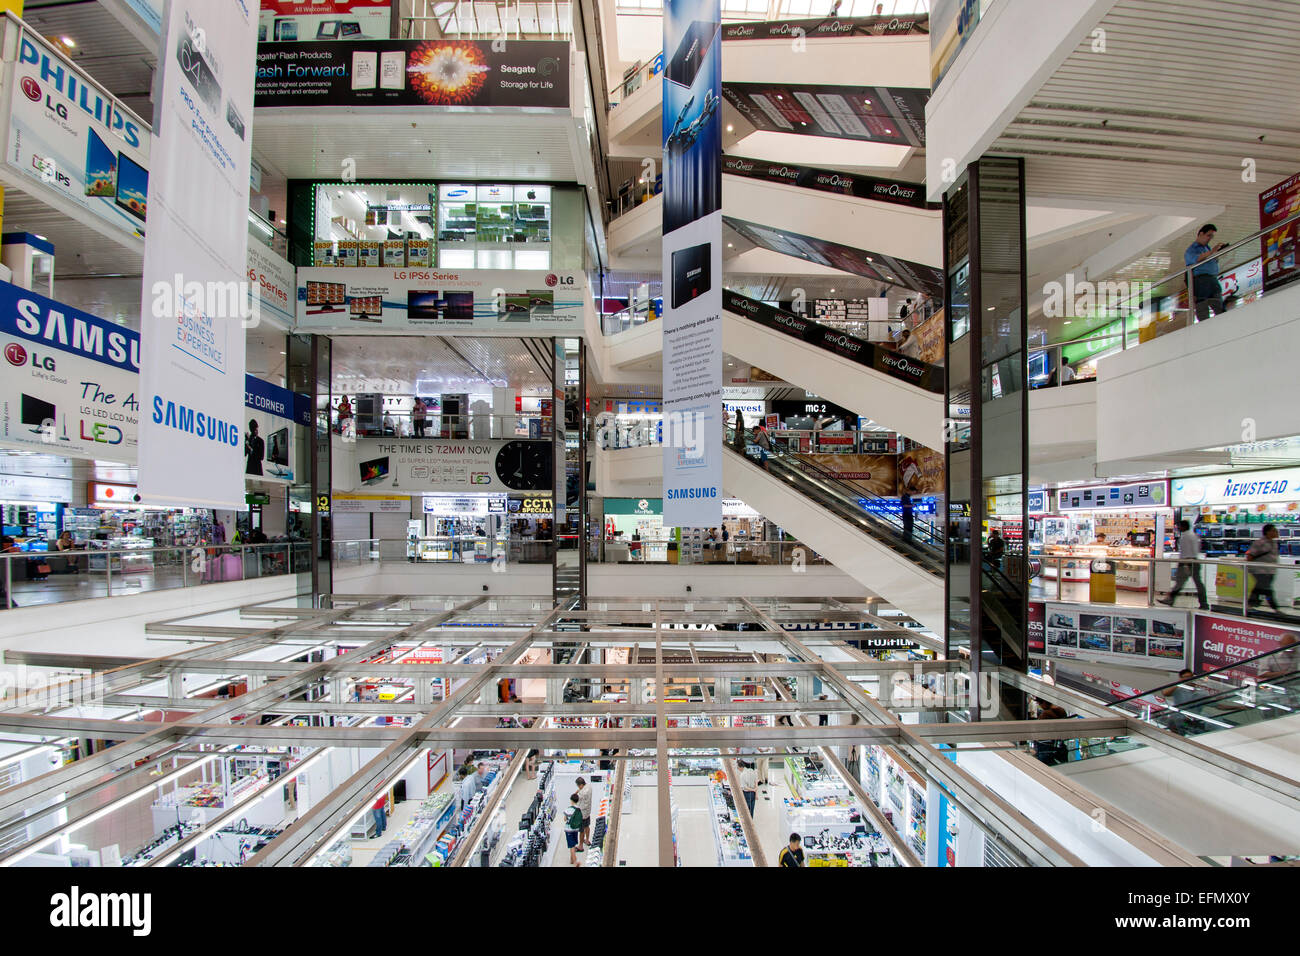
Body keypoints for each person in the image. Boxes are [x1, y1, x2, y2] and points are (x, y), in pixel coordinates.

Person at [1159, 520, 1209, 610]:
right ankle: (1204, 603)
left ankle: (1170, 599)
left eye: (1179, 526)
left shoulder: (1185, 537)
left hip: (1187, 562)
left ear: (1183, 527)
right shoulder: (1194, 535)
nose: (1178, 528)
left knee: (1180, 582)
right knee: (1196, 583)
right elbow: (1195, 550)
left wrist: (1185, 564)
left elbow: (1186, 552)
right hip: (1193, 561)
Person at [1184, 223, 1228, 321]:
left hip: (1213, 279)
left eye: (1211, 236)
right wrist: (1212, 251)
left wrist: (1217, 253)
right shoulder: (1191, 250)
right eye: (1208, 235)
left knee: (1218, 305)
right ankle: (1204, 326)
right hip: (1201, 281)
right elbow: (1197, 259)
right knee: (1202, 308)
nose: (1209, 239)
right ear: (1200, 234)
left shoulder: (1207, 248)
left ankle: (1223, 322)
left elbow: (1211, 260)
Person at [1245, 524, 1281, 613]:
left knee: (1260, 588)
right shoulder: (1260, 543)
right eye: (1274, 530)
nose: (1276, 532)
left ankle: (1250, 604)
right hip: (1260, 570)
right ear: (1268, 532)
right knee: (1267, 588)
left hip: (1270, 570)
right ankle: (1275, 608)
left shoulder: (1274, 543)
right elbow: (1250, 556)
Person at [1164, 669, 1197, 736]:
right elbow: (1165, 693)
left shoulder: (1199, 690)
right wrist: (1179, 683)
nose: (1188, 679)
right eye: (1185, 677)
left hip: (1192, 720)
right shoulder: (1179, 689)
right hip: (1177, 719)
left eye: (1190, 676)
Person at [564, 792, 583, 865]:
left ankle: (575, 862)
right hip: (576, 829)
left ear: (571, 800)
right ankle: (571, 860)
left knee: (571, 846)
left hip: (568, 830)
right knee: (574, 844)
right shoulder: (578, 809)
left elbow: (565, 819)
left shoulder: (568, 809)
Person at [575, 776, 593, 851]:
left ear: (581, 785)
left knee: (581, 830)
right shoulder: (589, 786)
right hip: (588, 811)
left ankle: (580, 846)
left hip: (582, 813)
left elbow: (575, 798)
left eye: (578, 786)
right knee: (587, 826)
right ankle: (587, 840)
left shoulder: (582, 793)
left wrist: (576, 792)